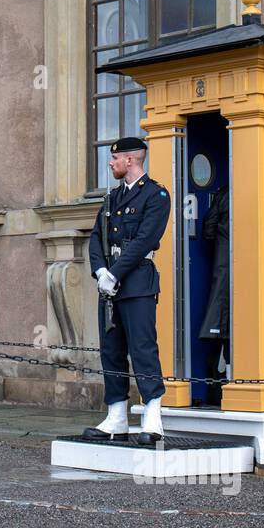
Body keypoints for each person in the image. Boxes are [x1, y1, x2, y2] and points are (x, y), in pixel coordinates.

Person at [83, 137, 170, 444]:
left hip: (137, 283)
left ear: (130, 160)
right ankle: (116, 417)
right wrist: (100, 271)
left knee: (143, 348)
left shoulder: (156, 195)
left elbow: (145, 240)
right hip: (110, 285)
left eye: (114, 158)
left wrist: (115, 273)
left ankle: (153, 417)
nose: (110, 163)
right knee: (112, 350)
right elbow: (96, 238)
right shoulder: (112, 198)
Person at [200, 183, 230, 407]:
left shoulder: (223, 194)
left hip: (222, 270)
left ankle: (220, 377)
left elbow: (207, 229)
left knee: (222, 323)